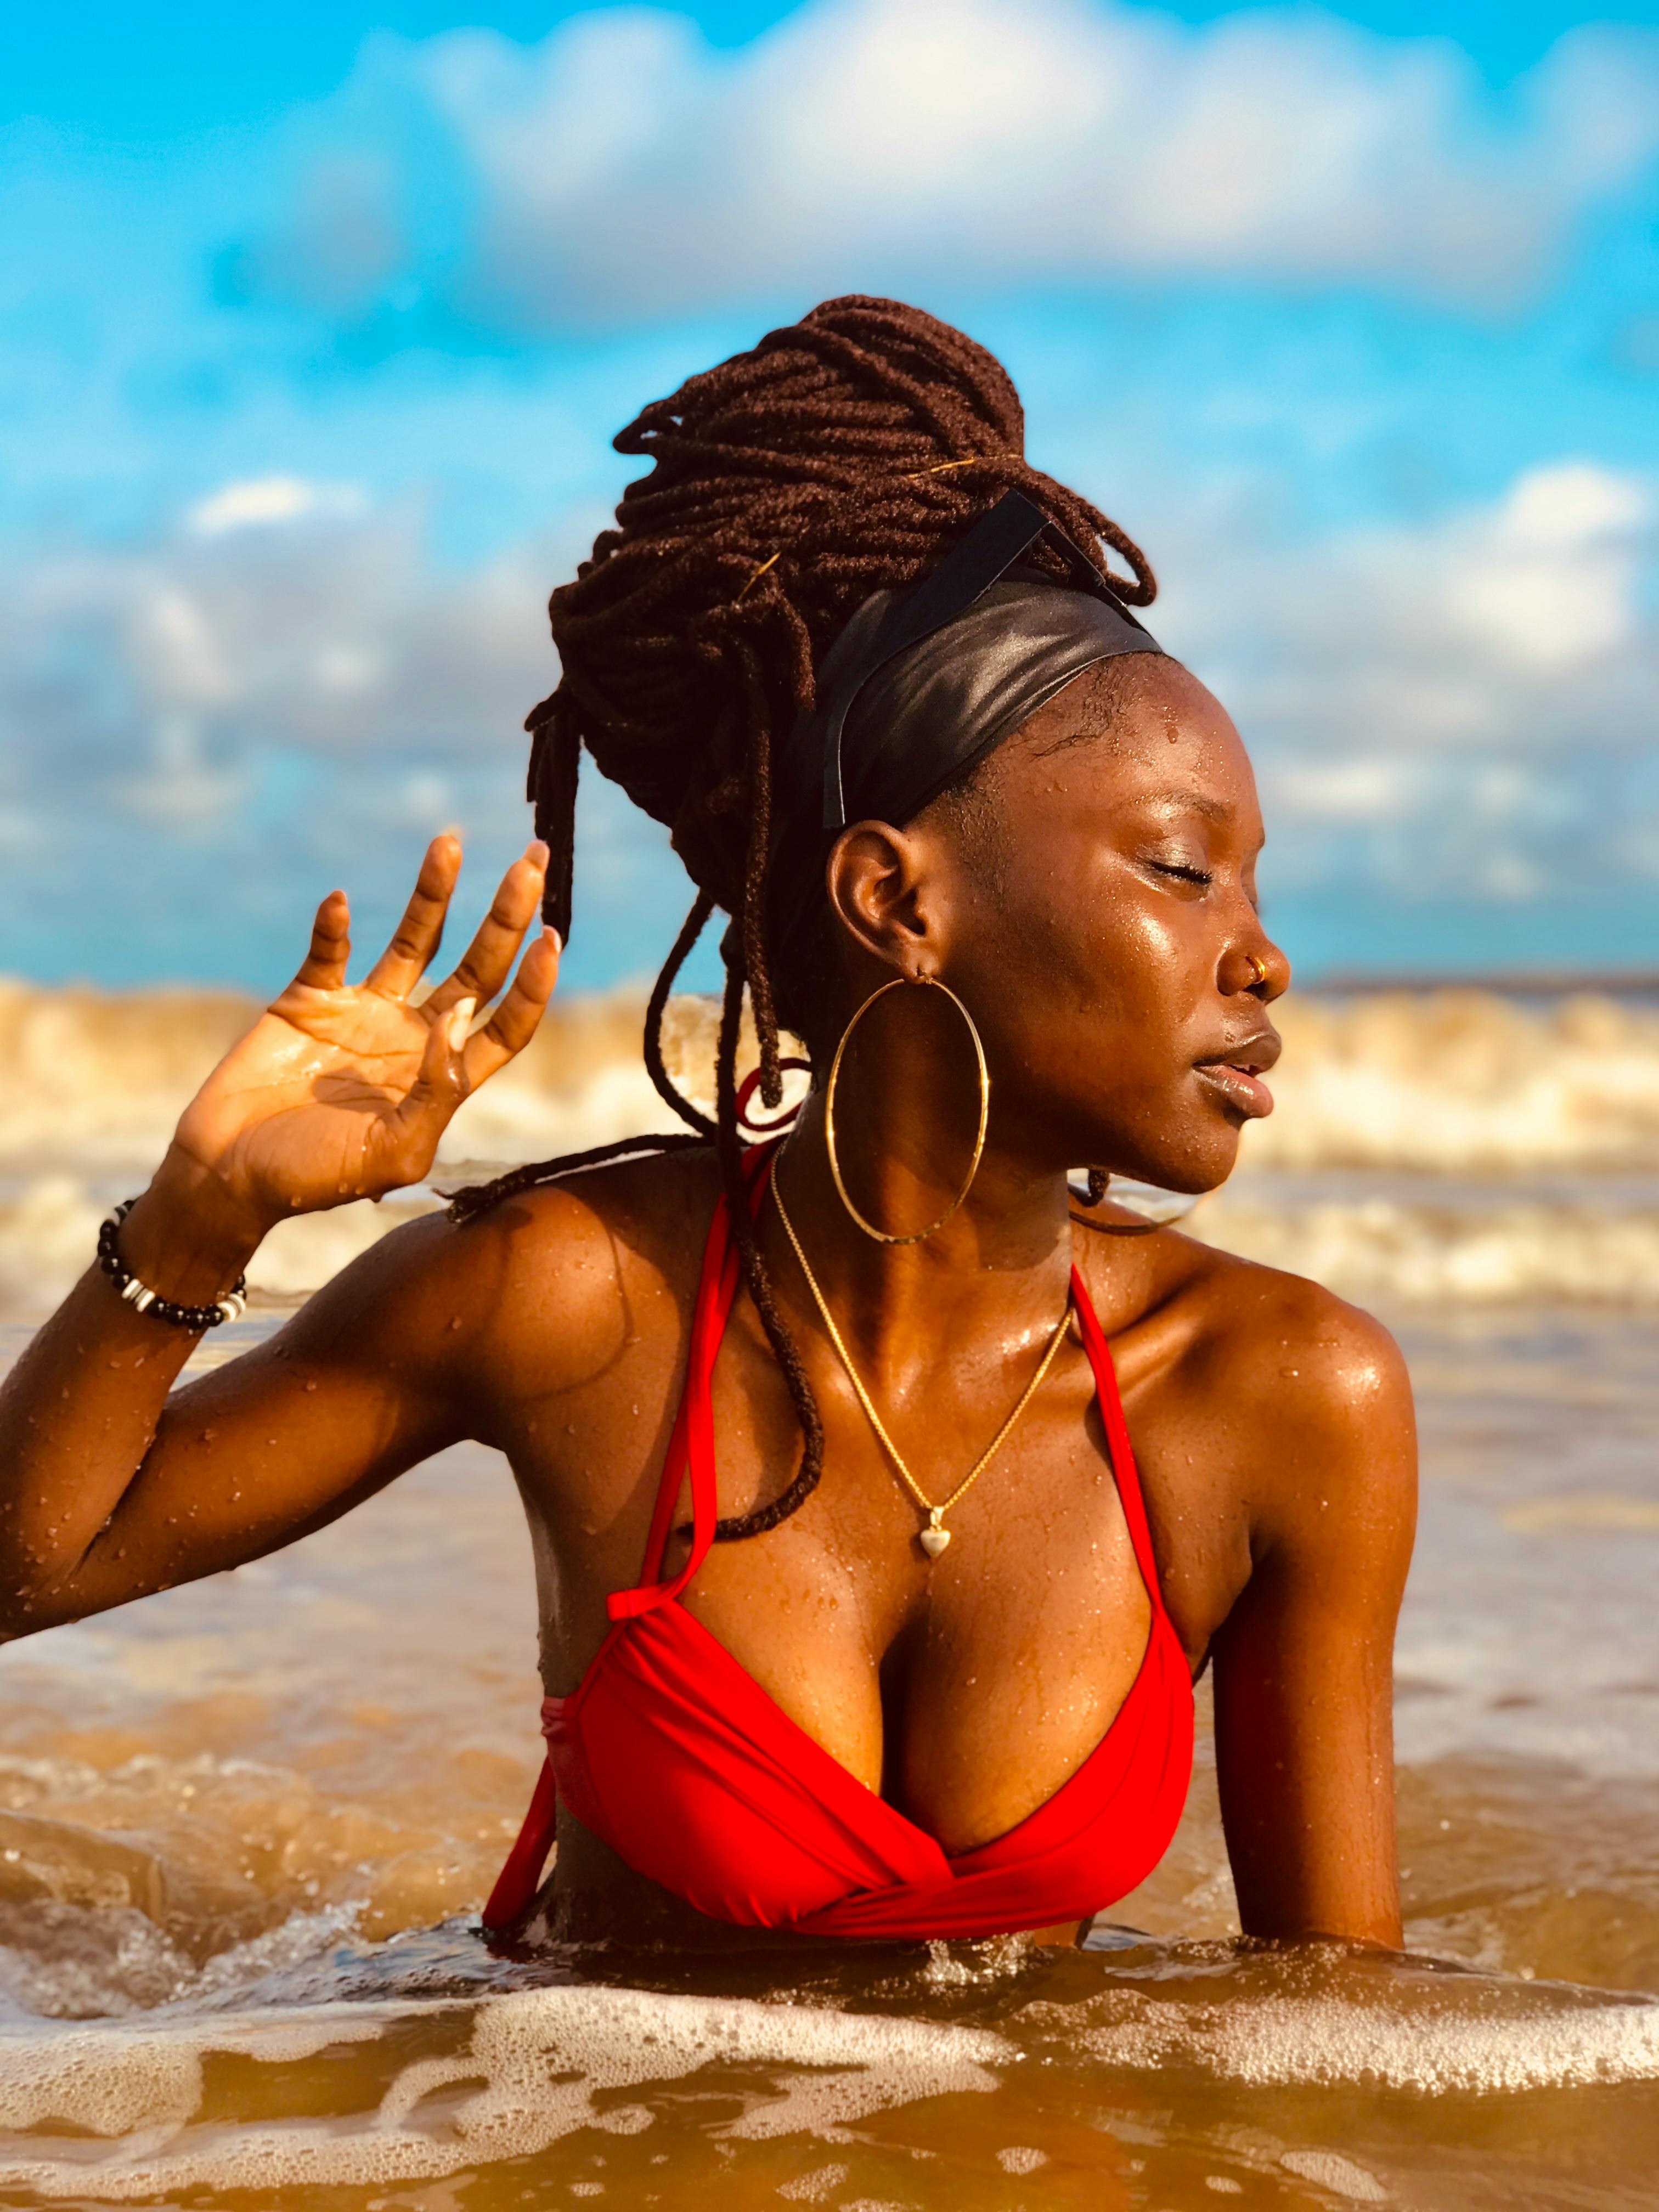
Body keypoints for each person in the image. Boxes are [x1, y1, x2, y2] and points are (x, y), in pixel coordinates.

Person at [0, 297, 1416, 1953]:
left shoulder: (1285, 1396)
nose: (1263, 955)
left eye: (1253, 882)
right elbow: (33, 1571)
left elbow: (1342, 2026)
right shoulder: (578, 1299)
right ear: (895, 898)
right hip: (551, 2104)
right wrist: (203, 1215)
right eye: (1182, 870)